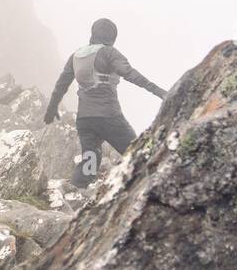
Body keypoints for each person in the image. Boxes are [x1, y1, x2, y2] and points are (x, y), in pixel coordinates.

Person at [44, 18, 168, 187]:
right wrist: (160, 92)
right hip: (109, 118)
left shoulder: (76, 56)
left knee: (89, 167)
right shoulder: (109, 53)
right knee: (138, 155)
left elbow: (61, 84)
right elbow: (131, 74)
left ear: (93, 33)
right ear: (112, 37)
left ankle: (73, 195)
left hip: (85, 121)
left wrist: (52, 108)